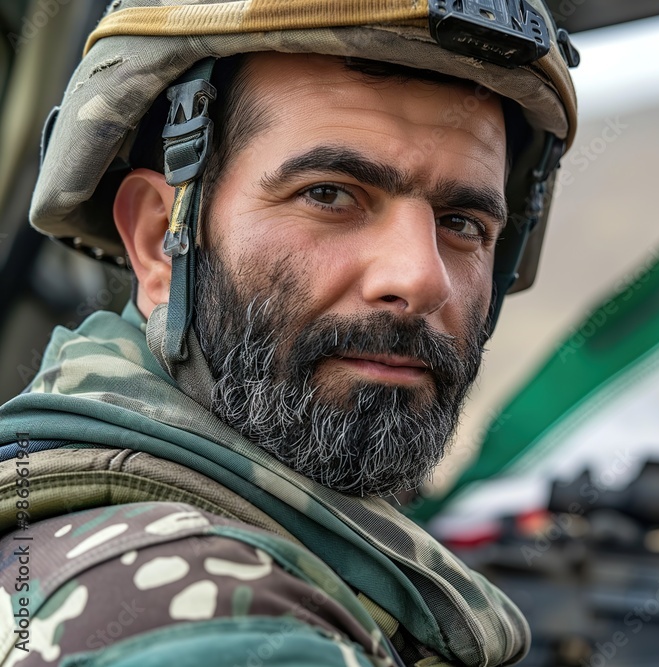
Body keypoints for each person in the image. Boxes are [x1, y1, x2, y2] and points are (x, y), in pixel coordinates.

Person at [0, 1, 578, 665]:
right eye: (330, 194)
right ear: (162, 239)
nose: (421, 278)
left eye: (463, 223)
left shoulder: (55, 518)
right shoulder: (215, 626)